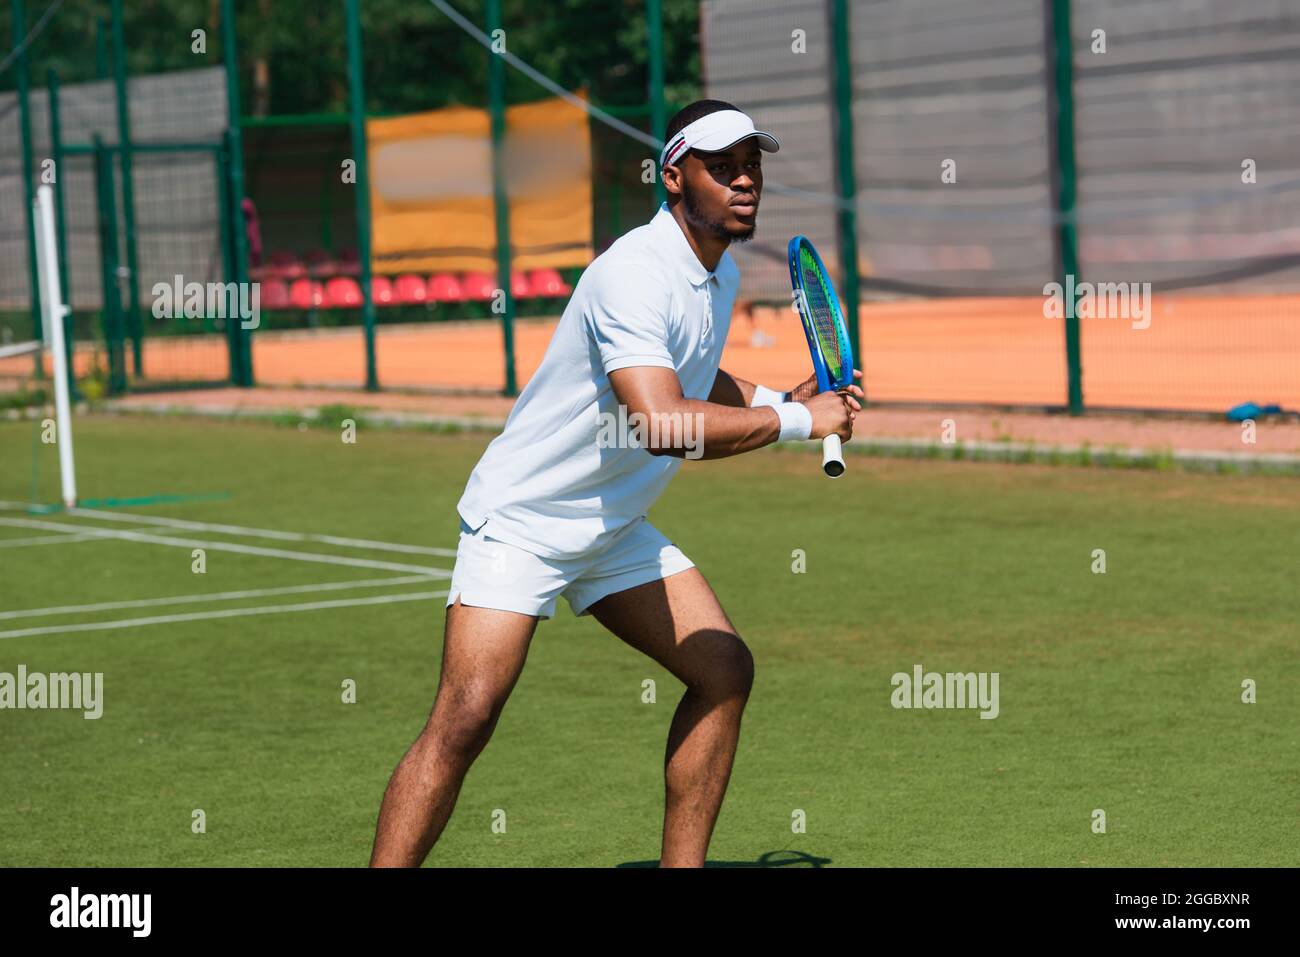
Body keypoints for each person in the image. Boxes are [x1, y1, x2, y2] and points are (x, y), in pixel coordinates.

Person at [370, 99, 862, 868]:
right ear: (674, 175)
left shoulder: (716, 273)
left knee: (724, 669)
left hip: (614, 526)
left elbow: (693, 374)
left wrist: (782, 402)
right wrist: (802, 426)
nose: (744, 181)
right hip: (526, 520)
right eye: (722, 166)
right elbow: (662, 420)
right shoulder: (632, 273)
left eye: (752, 167)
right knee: (466, 716)